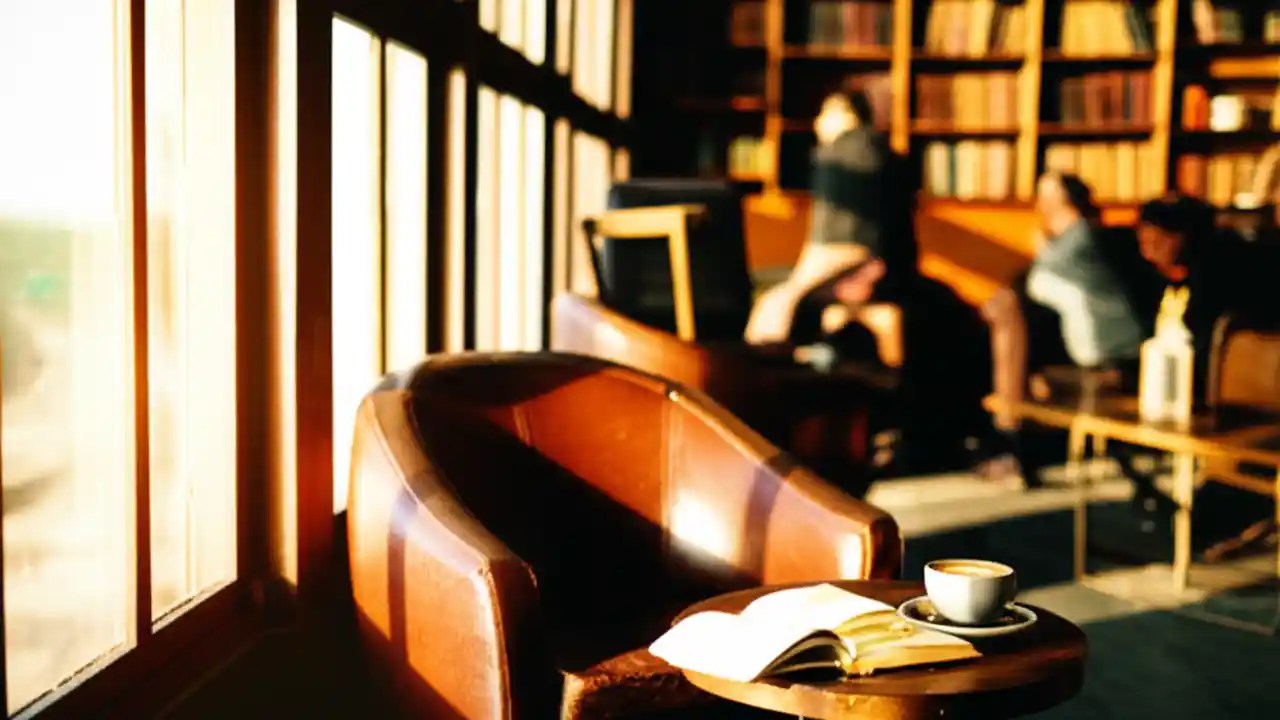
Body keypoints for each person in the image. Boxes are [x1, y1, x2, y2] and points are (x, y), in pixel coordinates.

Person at [745, 84, 908, 346]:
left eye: (824, 113)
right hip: (889, 271)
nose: (818, 123)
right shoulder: (889, 155)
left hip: (851, 270)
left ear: (845, 114)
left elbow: (832, 249)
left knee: (773, 306)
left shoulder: (838, 155)